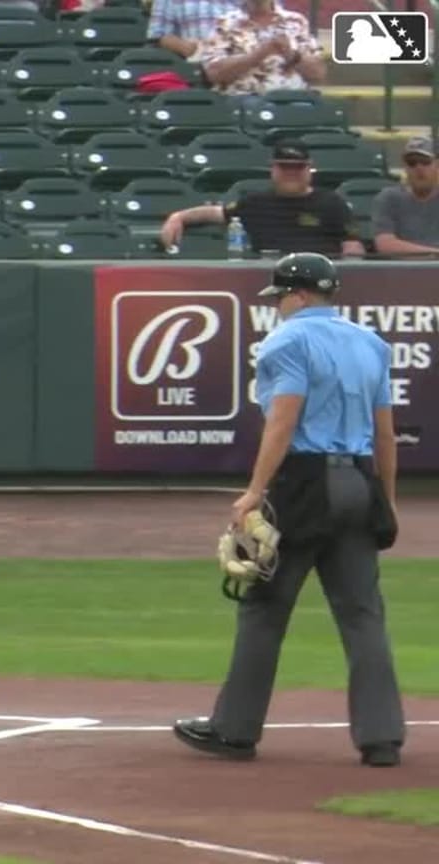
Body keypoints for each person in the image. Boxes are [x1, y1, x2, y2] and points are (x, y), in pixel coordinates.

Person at [174, 252, 405, 768]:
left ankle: (234, 731)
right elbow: (385, 432)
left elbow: (283, 419)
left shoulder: (287, 340)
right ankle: (382, 739)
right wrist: (386, 499)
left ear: (299, 295)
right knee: (363, 614)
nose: (277, 304)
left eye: (280, 296)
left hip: (303, 482)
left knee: (264, 607)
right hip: (359, 478)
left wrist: (255, 491)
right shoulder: (370, 343)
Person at [159, 141, 364, 258]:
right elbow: (215, 213)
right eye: (284, 167)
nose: (291, 173)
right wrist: (178, 217)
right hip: (267, 279)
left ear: (309, 168)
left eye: (298, 167)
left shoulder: (332, 203)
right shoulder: (255, 203)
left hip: (319, 279)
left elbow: (353, 249)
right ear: (273, 169)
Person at [198, 0, 325, 102]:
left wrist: (291, 53)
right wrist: (259, 54)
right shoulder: (225, 23)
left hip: (293, 99)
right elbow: (214, 74)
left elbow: (318, 73)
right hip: (243, 101)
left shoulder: (296, 21)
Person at [370, 136, 439, 257]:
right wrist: (435, 254)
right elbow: (385, 244)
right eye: (412, 163)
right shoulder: (389, 198)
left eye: (425, 162)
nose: (419, 168)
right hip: (401, 267)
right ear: (405, 168)